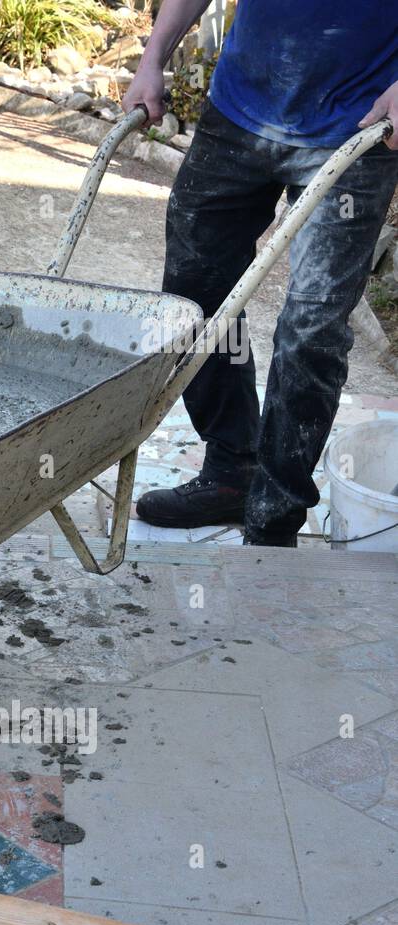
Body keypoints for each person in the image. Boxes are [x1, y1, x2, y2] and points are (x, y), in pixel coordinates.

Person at [122, 0, 398, 546]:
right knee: (196, 300)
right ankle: (231, 471)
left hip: (357, 127)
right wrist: (153, 56)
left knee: (310, 329)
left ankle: (275, 519)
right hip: (239, 111)